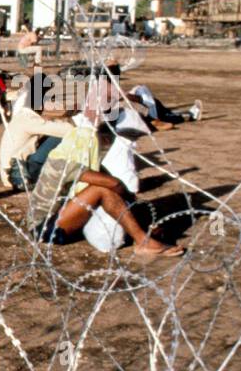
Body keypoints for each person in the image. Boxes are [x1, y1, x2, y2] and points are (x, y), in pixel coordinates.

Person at [29, 104, 184, 257]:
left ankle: (143, 233)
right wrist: (129, 201)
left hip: (61, 219)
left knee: (112, 192)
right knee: (102, 190)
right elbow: (114, 184)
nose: (103, 146)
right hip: (44, 229)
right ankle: (142, 240)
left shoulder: (80, 158)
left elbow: (115, 185)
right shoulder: (63, 161)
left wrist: (138, 213)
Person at [0, 71, 73, 190]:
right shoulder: (28, 119)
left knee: (50, 135)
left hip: (11, 171)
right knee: (59, 137)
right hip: (18, 174)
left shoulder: (24, 114)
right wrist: (72, 119)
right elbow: (68, 130)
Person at [127, 84, 202, 131]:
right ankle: (192, 115)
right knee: (165, 115)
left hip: (144, 110)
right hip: (147, 116)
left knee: (141, 89)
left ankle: (191, 114)